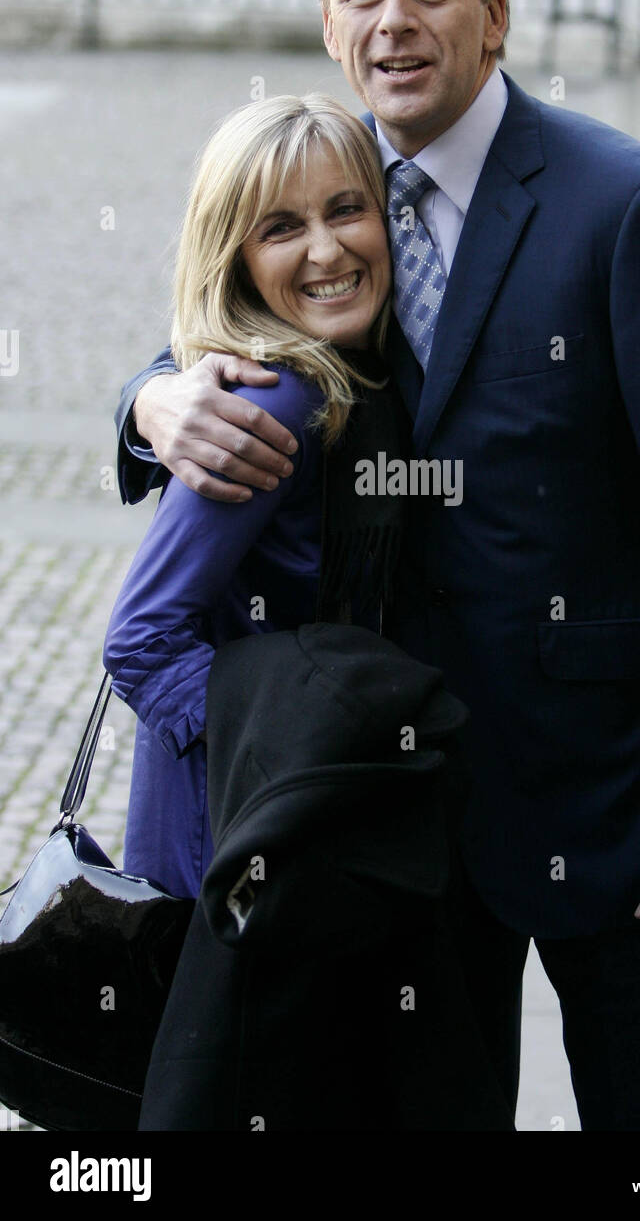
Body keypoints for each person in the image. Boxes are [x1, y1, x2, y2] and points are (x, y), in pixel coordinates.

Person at [113, 0, 640, 1130]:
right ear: (325, 19)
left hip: (608, 803)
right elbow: (242, 317)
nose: (393, 19)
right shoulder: (331, 193)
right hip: (398, 823)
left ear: (495, 12)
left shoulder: (632, 208)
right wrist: (150, 400)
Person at [103, 92, 402, 900]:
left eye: (347, 210)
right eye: (280, 228)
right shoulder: (270, 406)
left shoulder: (361, 373)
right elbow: (140, 640)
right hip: (238, 836)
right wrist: (301, 746)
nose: (326, 250)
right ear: (233, 259)